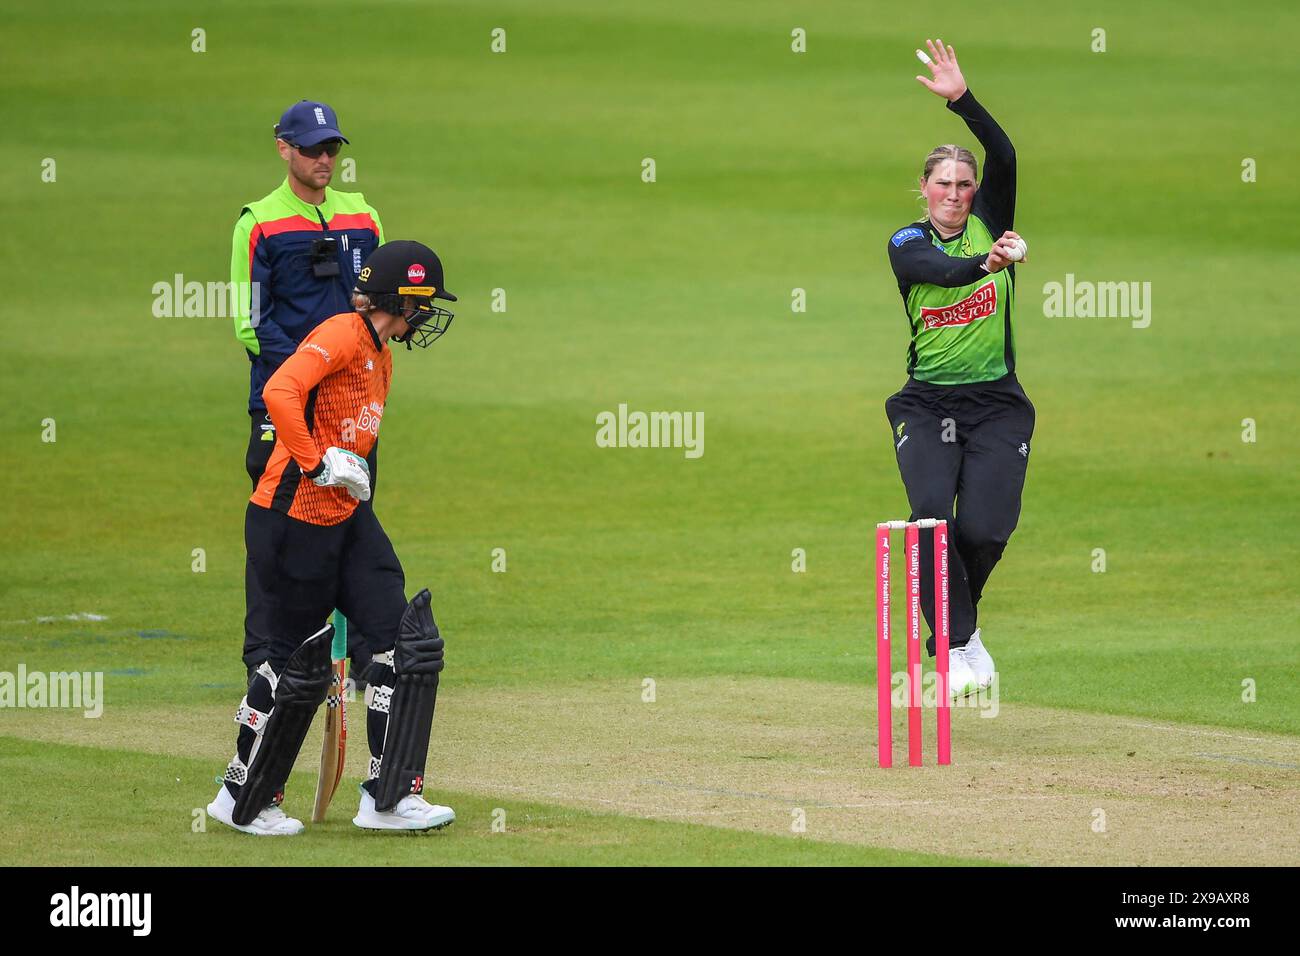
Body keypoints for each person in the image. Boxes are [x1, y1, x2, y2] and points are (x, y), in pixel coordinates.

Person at [208, 240, 459, 835]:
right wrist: (316, 462)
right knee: (289, 663)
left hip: (345, 518)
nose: (429, 316)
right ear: (404, 300)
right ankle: (240, 798)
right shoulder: (343, 334)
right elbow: (280, 391)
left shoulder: (381, 353)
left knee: (405, 639)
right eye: (425, 303)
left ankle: (388, 796)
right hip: (292, 516)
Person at [883, 39, 1033, 698]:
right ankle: (959, 641)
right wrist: (988, 266)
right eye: (942, 183)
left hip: (997, 404)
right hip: (928, 404)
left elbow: (1006, 155)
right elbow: (938, 274)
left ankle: (954, 633)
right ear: (923, 189)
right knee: (927, 517)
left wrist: (961, 101)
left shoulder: (991, 220)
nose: (954, 194)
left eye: (963, 184)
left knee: (986, 530)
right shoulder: (907, 242)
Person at [230, 99, 385, 680]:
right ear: (284, 149)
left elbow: (386, 301)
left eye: (332, 149)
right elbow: (251, 322)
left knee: (351, 524)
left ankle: (355, 663)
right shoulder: (259, 222)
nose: (325, 159)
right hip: (286, 408)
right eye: (314, 148)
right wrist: (311, 370)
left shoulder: (363, 216)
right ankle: (269, 665)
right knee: (280, 539)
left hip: (354, 415)